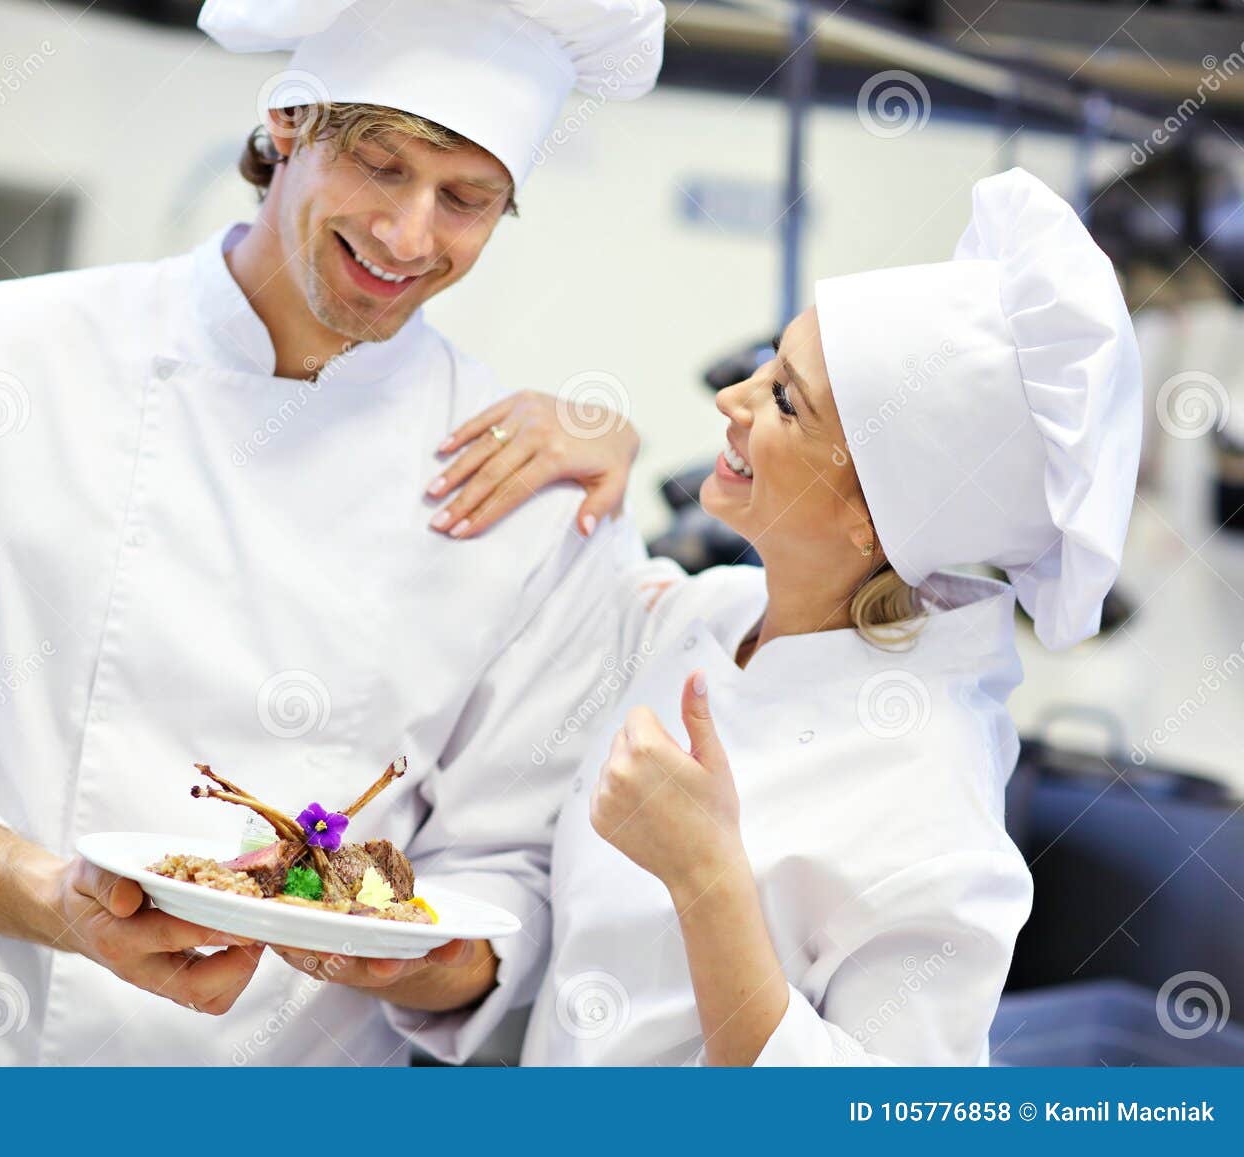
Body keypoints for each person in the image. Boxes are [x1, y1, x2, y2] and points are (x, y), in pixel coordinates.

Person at [0, 0, 664, 1065]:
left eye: (467, 198)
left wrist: (404, 952)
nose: (409, 235)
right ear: (288, 121)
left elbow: (509, 877)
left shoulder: (534, 497)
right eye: (380, 166)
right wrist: (61, 902)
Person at [434, 167, 1143, 1063]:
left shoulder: (935, 796)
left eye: (783, 399)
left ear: (872, 517)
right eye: (769, 364)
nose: (731, 400)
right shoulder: (709, 616)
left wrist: (707, 878)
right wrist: (596, 442)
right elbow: (585, 597)